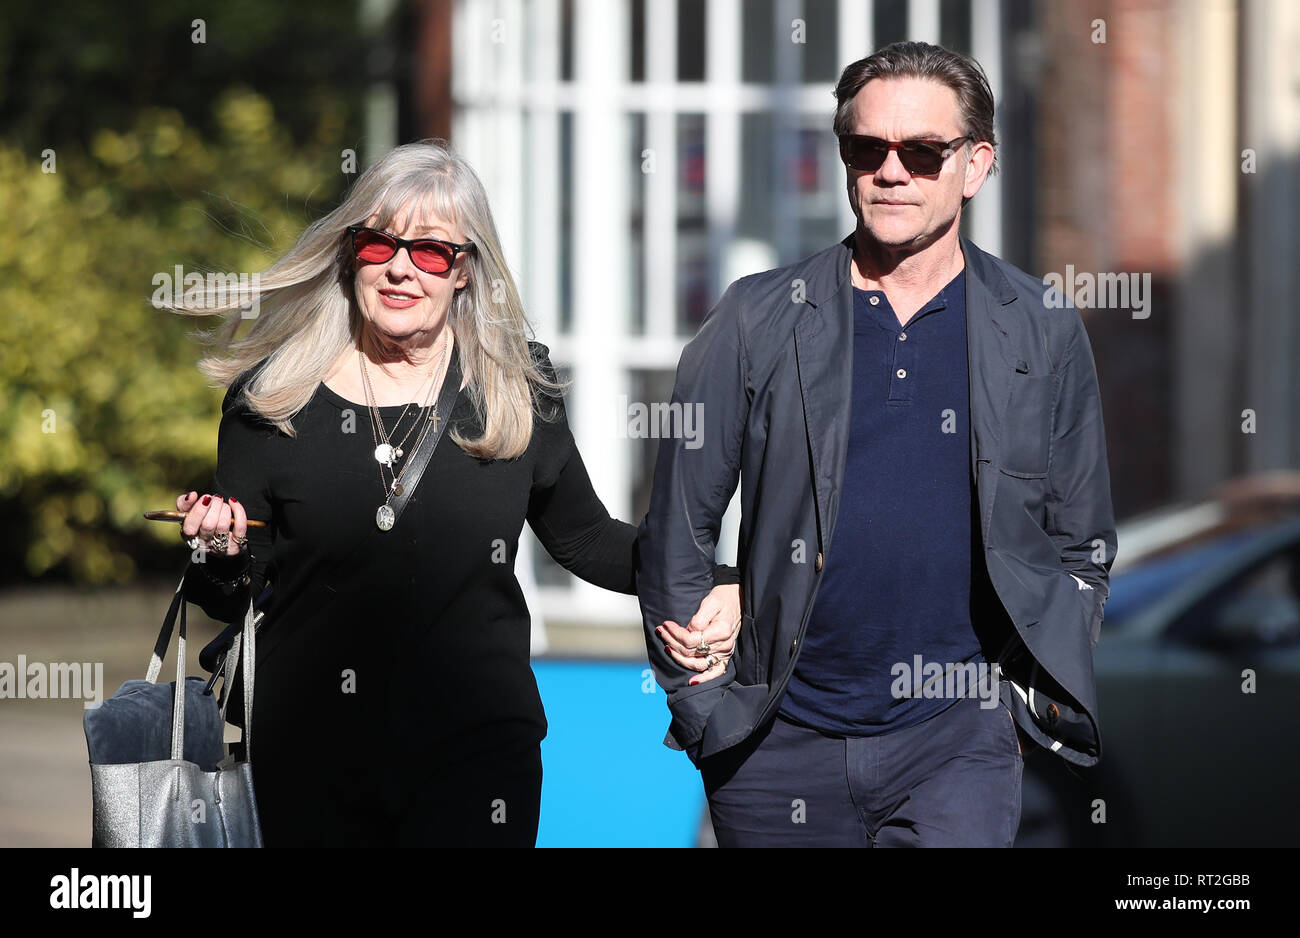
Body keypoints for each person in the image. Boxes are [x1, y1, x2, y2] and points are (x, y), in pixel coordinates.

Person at [169, 139, 740, 847]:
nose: (402, 268)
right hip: (307, 752)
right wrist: (218, 550)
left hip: (476, 753)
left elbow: (588, 540)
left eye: (431, 251)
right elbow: (228, 592)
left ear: (464, 270)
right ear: (351, 253)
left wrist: (715, 580)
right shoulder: (273, 397)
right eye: (379, 244)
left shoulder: (512, 387)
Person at [639, 41, 1117, 847]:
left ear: (975, 165)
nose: (891, 171)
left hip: (959, 743)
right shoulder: (758, 317)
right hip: (774, 746)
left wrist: (1025, 694)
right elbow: (675, 526)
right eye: (868, 149)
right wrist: (702, 706)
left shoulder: (1040, 326)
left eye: (923, 152)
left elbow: (1082, 542)